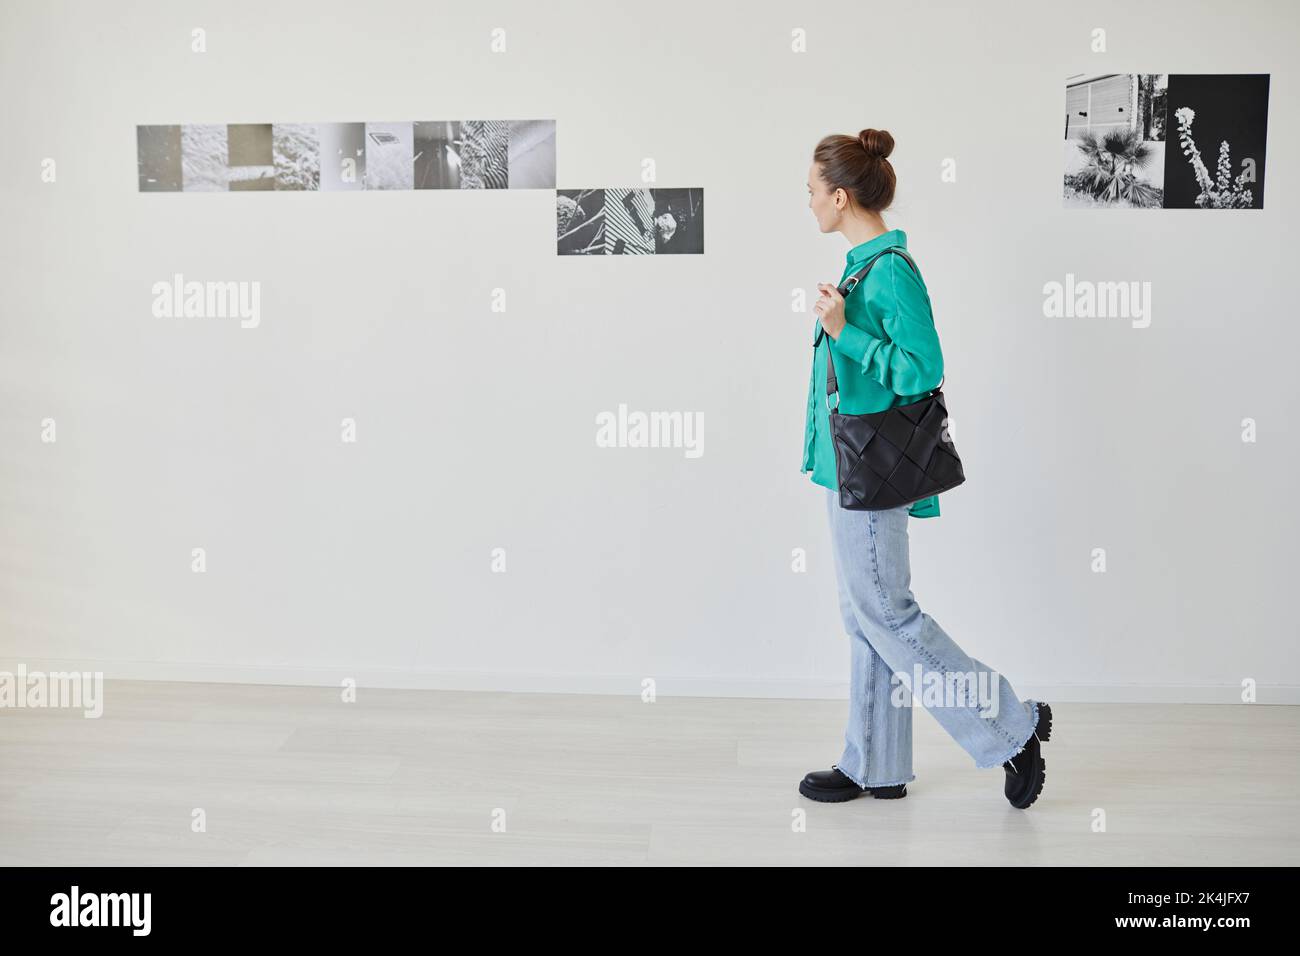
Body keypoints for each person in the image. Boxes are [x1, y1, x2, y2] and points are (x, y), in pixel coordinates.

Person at [797, 127, 1053, 809]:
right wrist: (839, 323)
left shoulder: (890, 271)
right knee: (867, 619)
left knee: (891, 615)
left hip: (873, 470)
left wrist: (844, 331)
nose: (809, 204)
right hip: (847, 469)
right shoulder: (861, 268)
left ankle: (1012, 727)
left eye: (813, 192)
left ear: (840, 195)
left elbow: (922, 370)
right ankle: (876, 764)